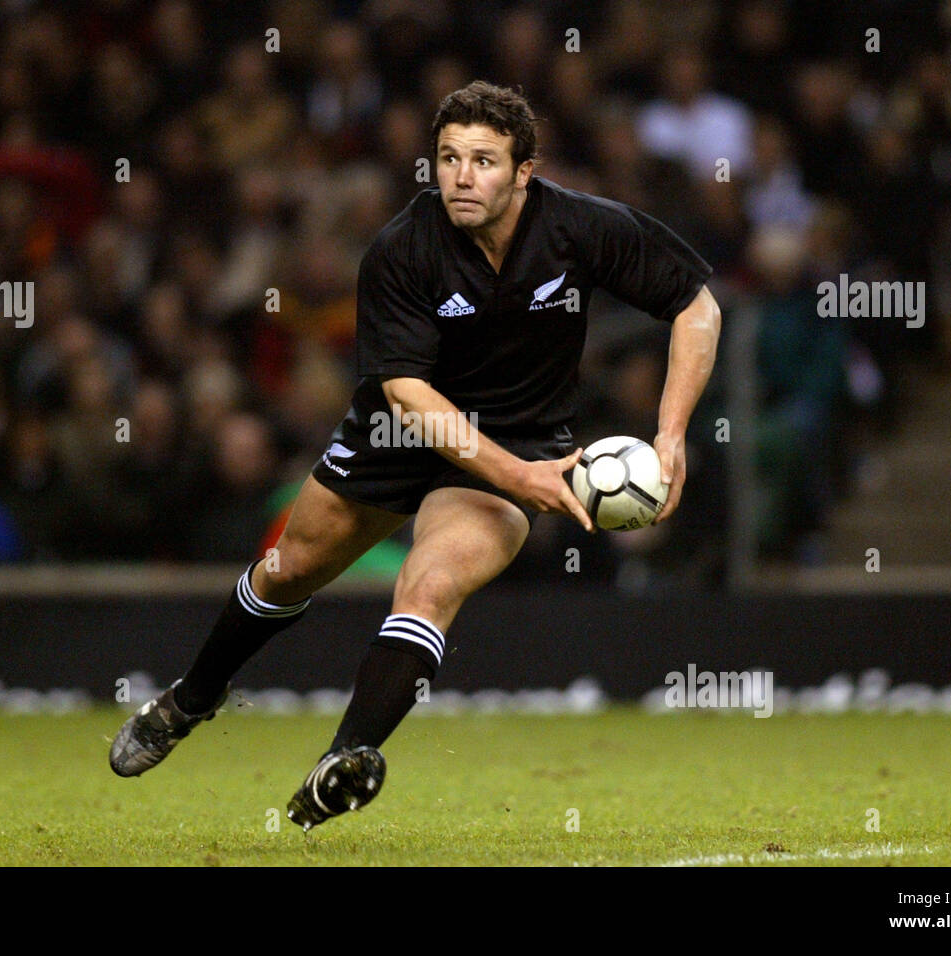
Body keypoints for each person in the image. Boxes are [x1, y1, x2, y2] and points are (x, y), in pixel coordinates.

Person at [109, 81, 722, 830]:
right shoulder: (403, 248)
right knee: (290, 569)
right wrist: (518, 477)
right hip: (400, 433)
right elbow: (406, 394)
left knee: (428, 586)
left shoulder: (584, 228)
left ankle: (348, 758)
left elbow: (696, 304)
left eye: (484, 161)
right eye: (448, 159)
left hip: (521, 437)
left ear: (524, 171)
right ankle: (190, 699)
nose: (462, 176)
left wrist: (670, 431)